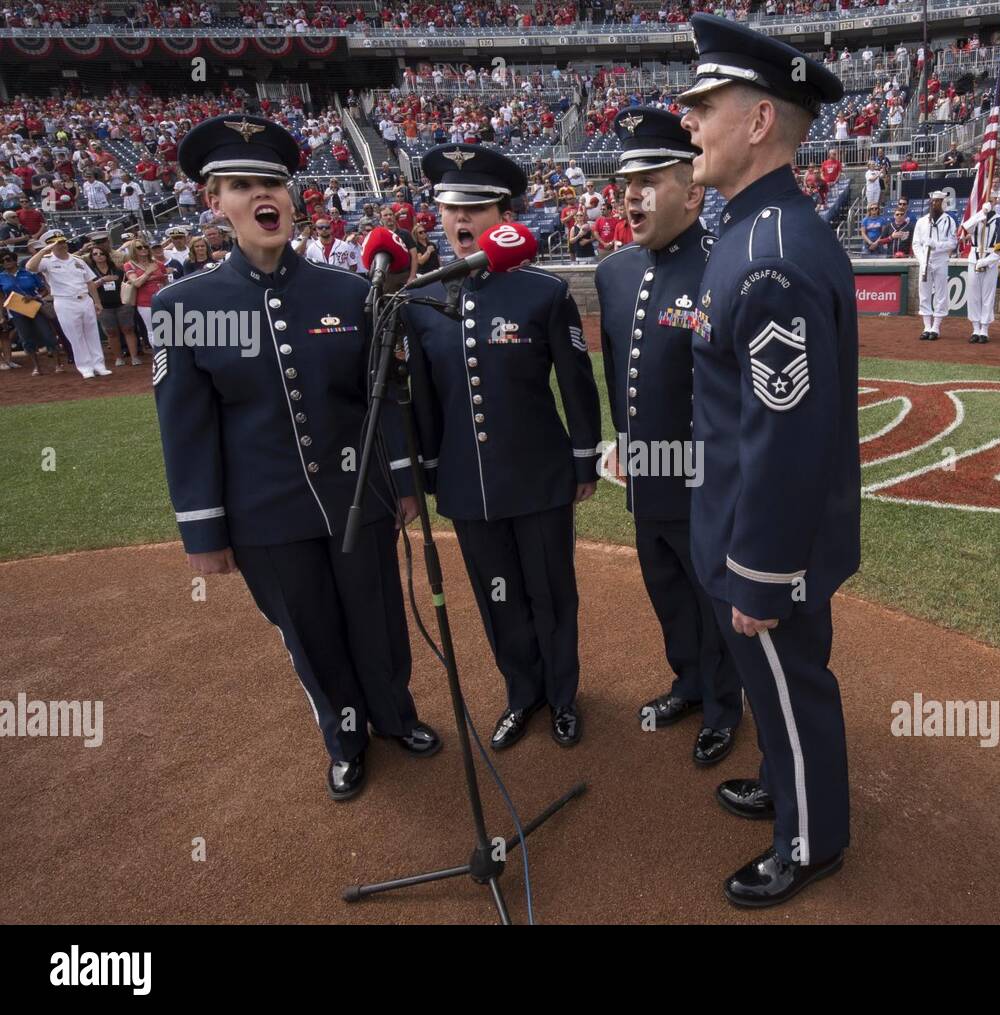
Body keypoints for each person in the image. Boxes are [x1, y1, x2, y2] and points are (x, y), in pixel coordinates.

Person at [152, 114, 440, 802]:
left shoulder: (348, 293)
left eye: (275, 182)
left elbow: (382, 399)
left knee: (376, 616)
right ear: (214, 202)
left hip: (356, 495)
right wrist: (203, 530)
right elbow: (184, 429)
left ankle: (395, 716)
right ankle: (345, 739)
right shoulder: (182, 306)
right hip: (266, 514)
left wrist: (401, 482)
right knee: (309, 630)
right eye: (244, 185)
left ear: (293, 195)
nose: (264, 196)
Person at [680, 12, 860, 908]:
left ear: (758, 123)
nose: (689, 121)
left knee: (791, 684)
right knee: (776, 683)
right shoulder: (758, 231)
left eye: (705, 105)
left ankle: (812, 838)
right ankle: (786, 784)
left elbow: (784, 438)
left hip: (765, 540)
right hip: (746, 524)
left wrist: (756, 572)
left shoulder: (770, 255)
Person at [403, 144, 601, 751]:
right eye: (448, 209)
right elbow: (423, 401)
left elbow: (575, 380)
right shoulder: (421, 299)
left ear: (504, 214)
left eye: (475, 208)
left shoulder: (542, 292)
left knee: (550, 591)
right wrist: (430, 473)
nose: (460, 221)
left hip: (539, 476)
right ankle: (523, 694)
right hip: (466, 482)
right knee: (498, 599)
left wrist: (584, 458)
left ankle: (562, 696)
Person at [594, 107, 743, 766]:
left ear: (693, 189)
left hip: (705, 486)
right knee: (666, 590)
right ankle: (687, 684)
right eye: (628, 177)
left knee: (713, 603)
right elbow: (613, 369)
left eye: (651, 176)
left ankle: (722, 705)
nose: (633, 191)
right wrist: (625, 444)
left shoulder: (723, 269)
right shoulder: (614, 273)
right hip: (645, 482)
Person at [27, 229, 107, 379]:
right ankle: (85, 367)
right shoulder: (46, 261)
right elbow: (30, 267)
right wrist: (44, 250)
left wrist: (97, 302)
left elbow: (89, 282)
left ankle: (99, 364)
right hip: (65, 301)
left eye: (63, 242)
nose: (62, 245)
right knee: (75, 335)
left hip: (84, 299)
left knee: (92, 333)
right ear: (50, 246)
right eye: (57, 243)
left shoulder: (78, 260)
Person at [0, 249, 65, 375]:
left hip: (35, 308)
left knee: (47, 335)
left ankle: (58, 364)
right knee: (26, 339)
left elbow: (44, 290)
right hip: (16, 311)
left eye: (8, 259)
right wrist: (2, 314)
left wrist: (35, 297)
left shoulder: (29, 272)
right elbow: (1, 297)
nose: (5, 262)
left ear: (14, 259)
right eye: (2, 261)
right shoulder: (1, 277)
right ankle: (37, 367)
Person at [84, 244, 140, 366]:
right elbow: (88, 288)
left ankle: (134, 357)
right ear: (92, 257)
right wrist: (103, 280)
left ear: (107, 256)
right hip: (103, 306)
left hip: (122, 303)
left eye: (101, 253)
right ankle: (119, 358)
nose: (99, 256)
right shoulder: (90, 274)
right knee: (111, 332)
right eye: (95, 254)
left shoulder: (118, 270)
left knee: (128, 329)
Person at [913, 190, 956, 340]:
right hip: (925, 260)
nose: (935, 203)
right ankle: (926, 326)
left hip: (941, 259)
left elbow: (952, 243)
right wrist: (922, 259)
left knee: (941, 293)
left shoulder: (949, 220)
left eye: (938, 201)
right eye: (933, 201)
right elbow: (916, 244)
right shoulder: (922, 221)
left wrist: (936, 245)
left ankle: (936, 327)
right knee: (924, 293)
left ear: (942, 202)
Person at [962, 201, 999, 344]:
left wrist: (988, 260)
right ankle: (975, 328)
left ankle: (984, 329)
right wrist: (981, 214)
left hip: (991, 259)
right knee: (974, 296)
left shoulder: (999, 220)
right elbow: (966, 227)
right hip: (974, 259)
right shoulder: (978, 218)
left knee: (987, 296)